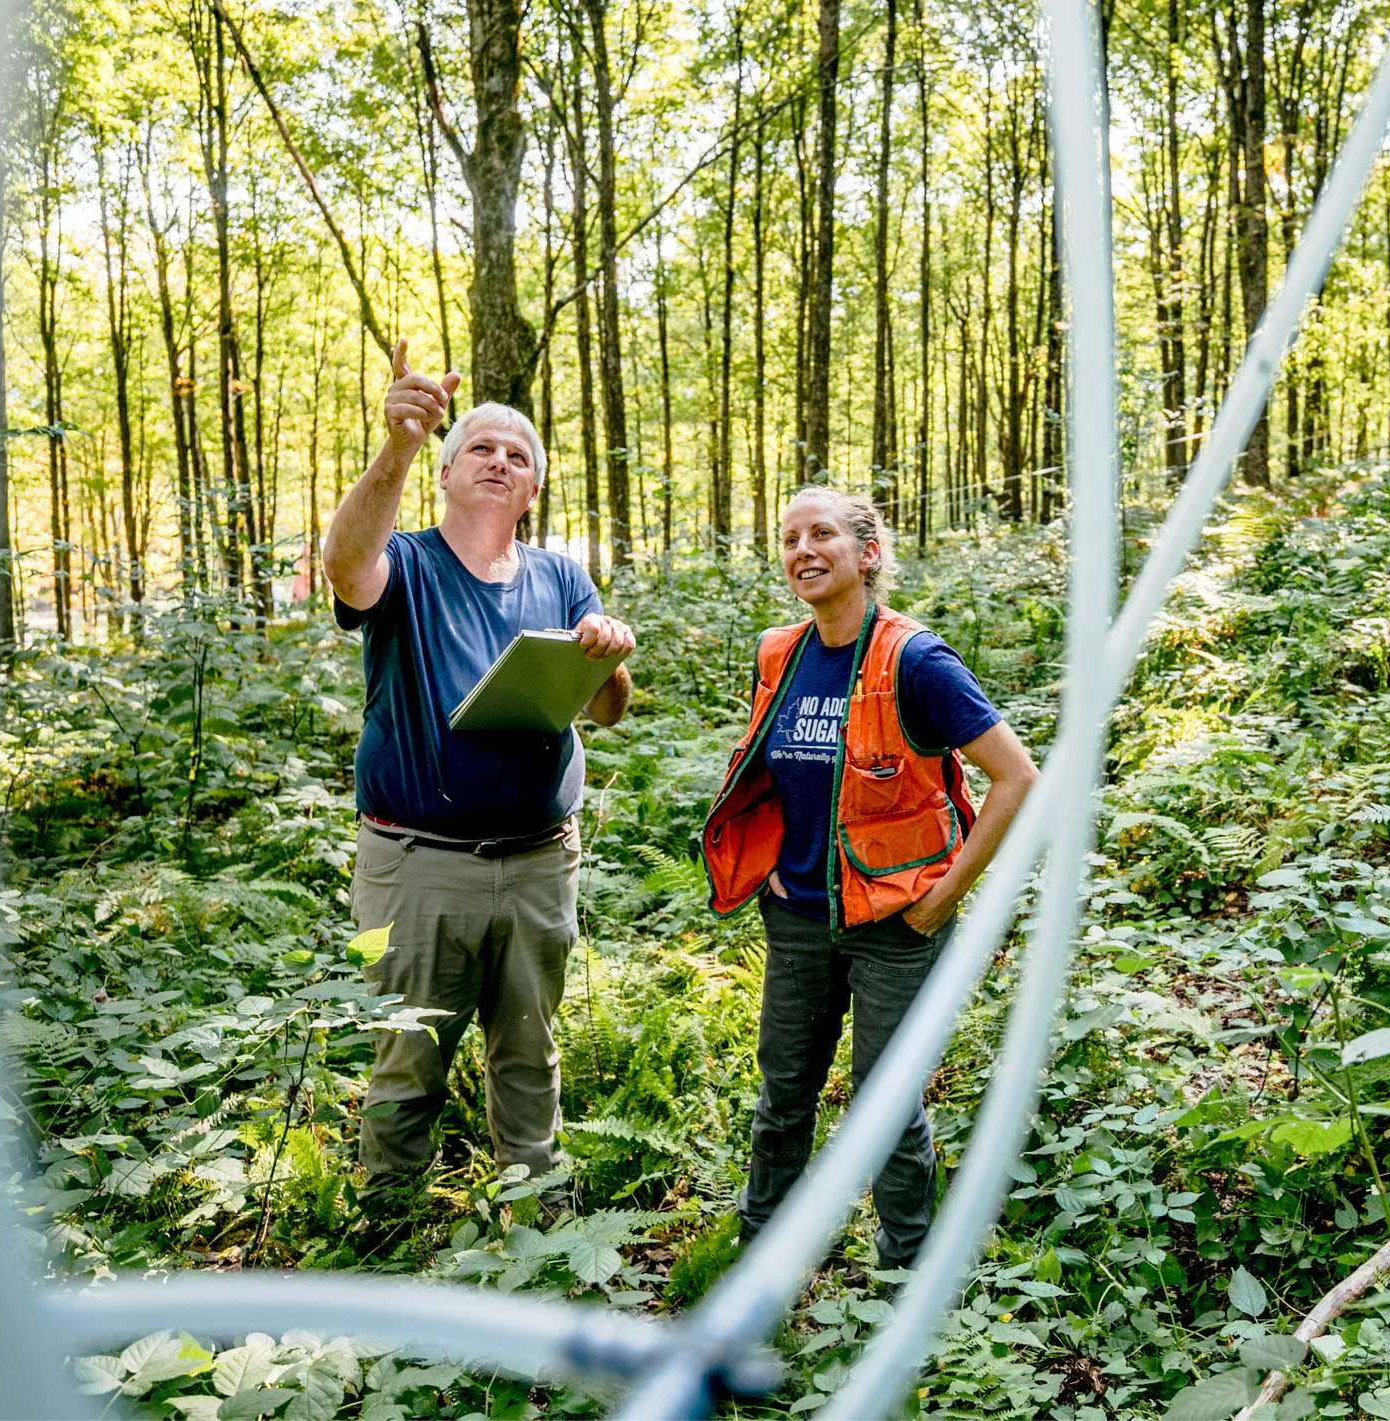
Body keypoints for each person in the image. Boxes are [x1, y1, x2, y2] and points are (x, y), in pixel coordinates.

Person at [323, 338, 636, 1222]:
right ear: (447, 471)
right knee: (406, 1054)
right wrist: (399, 441)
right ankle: (383, 1228)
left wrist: (610, 658)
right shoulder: (410, 565)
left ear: (533, 487)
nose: (501, 460)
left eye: (519, 454)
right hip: (417, 864)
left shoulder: (561, 575)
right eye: (482, 448)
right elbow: (347, 566)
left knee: (530, 1053)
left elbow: (607, 710)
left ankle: (536, 1228)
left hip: (542, 863)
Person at [701, 487, 1039, 1270]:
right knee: (783, 1096)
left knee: (885, 1105)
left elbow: (1017, 777)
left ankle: (909, 1268)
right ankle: (761, 1261)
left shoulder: (914, 659)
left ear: (868, 554)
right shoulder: (777, 653)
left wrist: (944, 895)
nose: (802, 550)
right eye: (788, 538)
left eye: (822, 534)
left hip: (896, 922)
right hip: (798, 918)